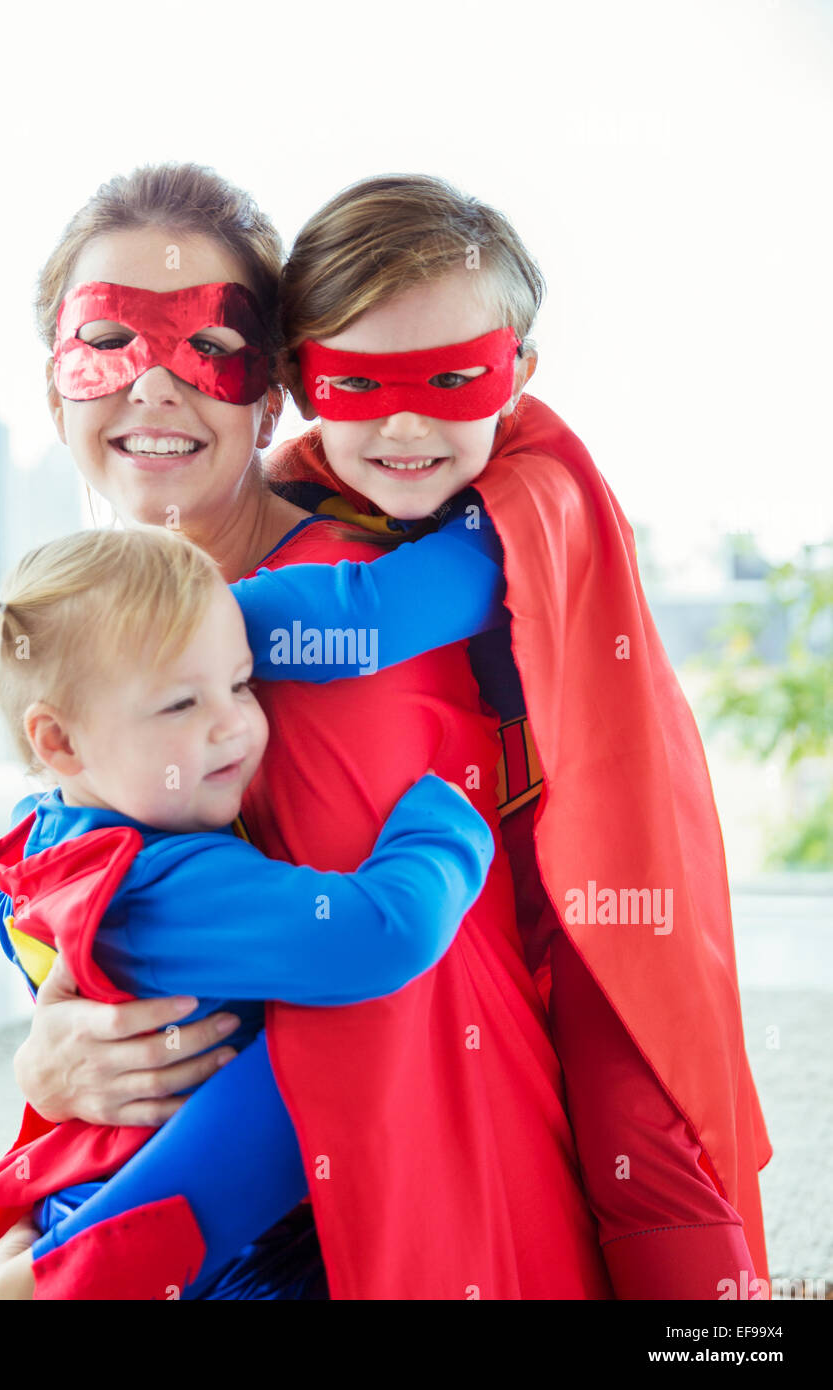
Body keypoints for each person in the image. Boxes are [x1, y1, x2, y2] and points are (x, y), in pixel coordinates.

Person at [0, 162, 613, 1300]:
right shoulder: (108, 616)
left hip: (345, 1214)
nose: (154, 389)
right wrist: (55, 1054)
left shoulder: (323, 611)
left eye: (207, 351)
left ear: (271, 392)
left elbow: (365, 986)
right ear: (55, 388)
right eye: (107, 340)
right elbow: (89, 873)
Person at [242, 172, 771, 1298]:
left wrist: (132, 623)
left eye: (453, 377)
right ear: (295, 385)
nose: (404, 422)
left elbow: (360, 625)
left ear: (518, 371)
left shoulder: (540, 491)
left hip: (601, 875)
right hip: (469, 877)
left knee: (645, 1130)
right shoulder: (293, 497)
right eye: (355, 381)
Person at [0, 527, 493, 1299]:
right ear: (59, 742)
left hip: (130, 1198)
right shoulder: (165, 884)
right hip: (203, 1256)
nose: (234, 725)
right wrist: (448, 817)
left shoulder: (46, 840)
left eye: (243, 684)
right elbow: (380, 934)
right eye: (182, 702)